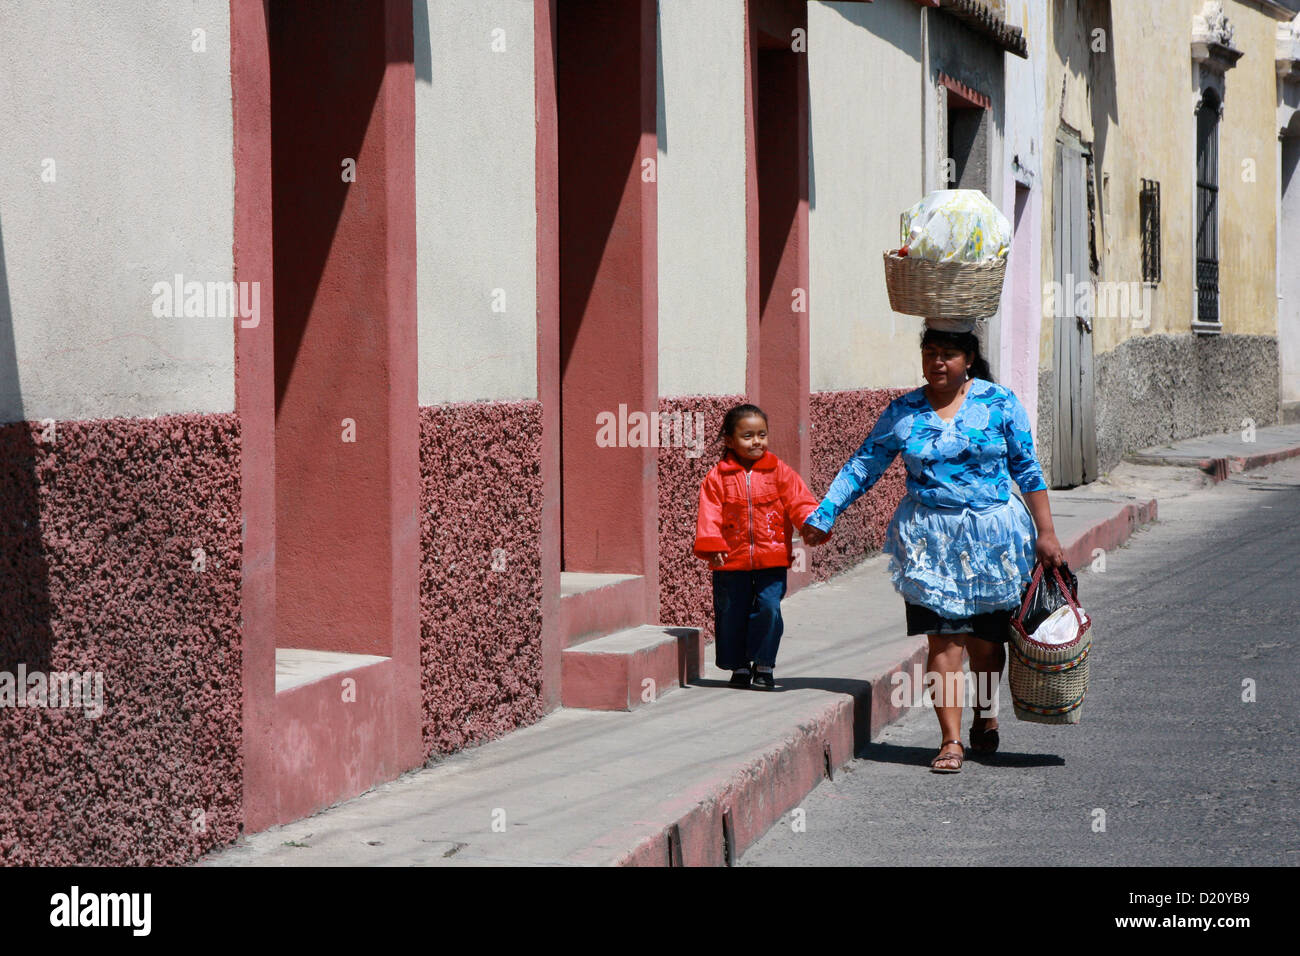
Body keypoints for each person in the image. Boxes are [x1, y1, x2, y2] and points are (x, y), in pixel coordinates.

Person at [801, 325, 1065, 772]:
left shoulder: (999, 403)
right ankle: (950, 741)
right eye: (929, 353)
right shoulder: (903, 411)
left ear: (968, 360)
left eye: (947, 354)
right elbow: (866, 462)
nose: (937, 362)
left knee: (985, 642)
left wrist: (1047, 532)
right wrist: (826, 511)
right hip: (930, 542)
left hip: (995, 541)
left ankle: (985, 715)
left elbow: (1026, 466)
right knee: (943, 639)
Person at [694, 404, 828, 690]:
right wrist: (712, 544)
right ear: (729, 441)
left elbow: (800, 501)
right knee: (732, 612)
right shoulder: (717, 477)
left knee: (769, 608)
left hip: (772, 558)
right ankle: (740, 665)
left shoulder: (779, 471)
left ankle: (764, 663)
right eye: (748, 436)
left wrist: (811, 524)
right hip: (731, 561)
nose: (756, 441)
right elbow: (710, 513)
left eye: (762, 434)